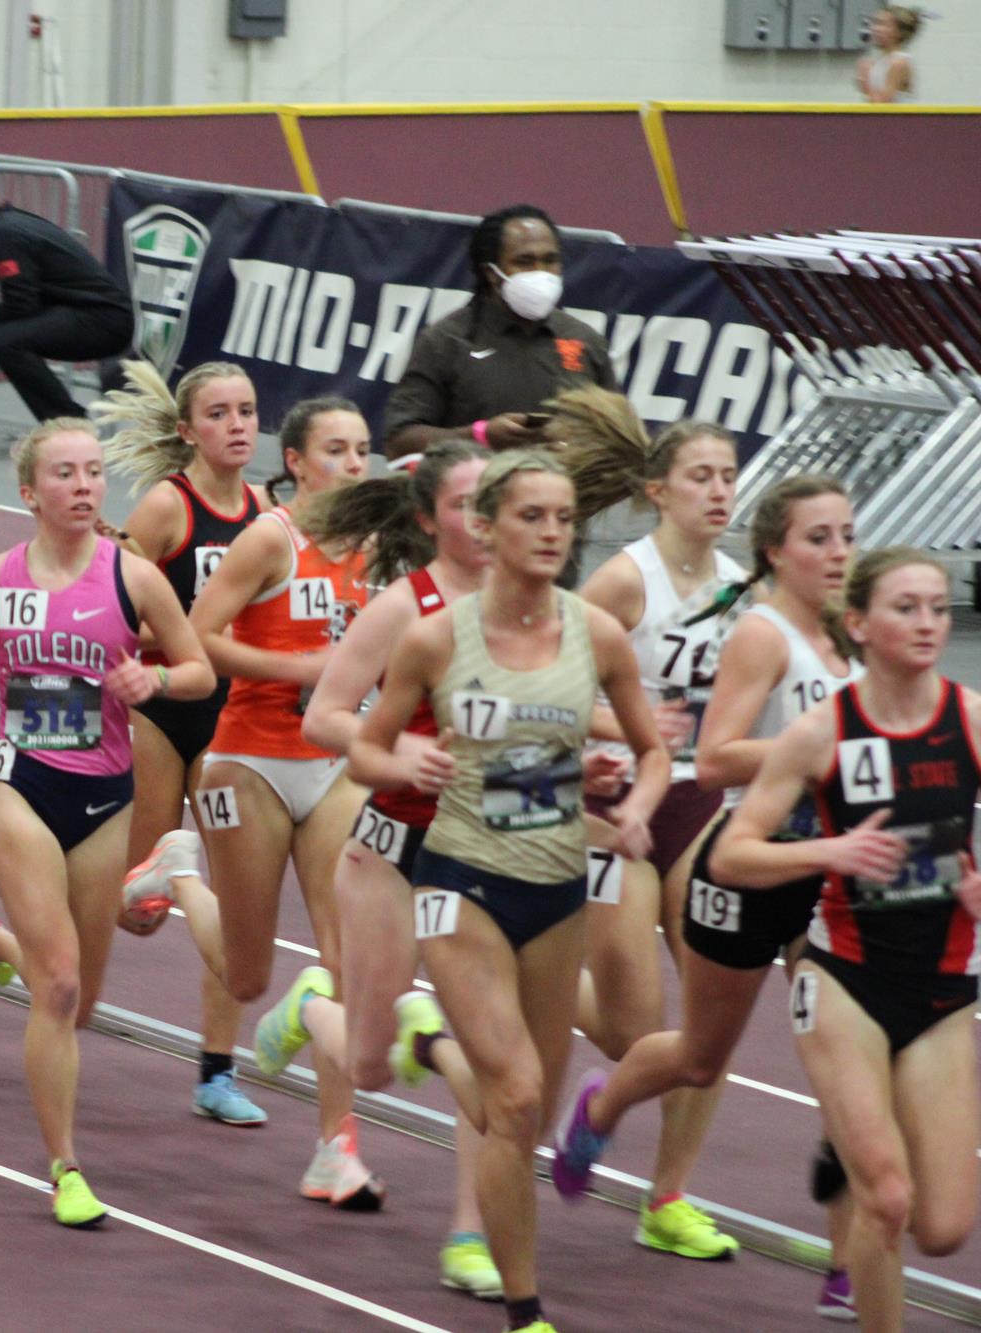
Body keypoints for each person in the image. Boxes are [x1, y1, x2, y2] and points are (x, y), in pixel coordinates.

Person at [350, 450, 670, 1333]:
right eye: (533, 516)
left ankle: (434, 1046)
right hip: (460, 882)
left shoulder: (594, 636)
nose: (553, 533)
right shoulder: (435, 637)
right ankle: (526, 1309)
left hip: (558, 886)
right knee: (522, 1094)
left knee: (513, 1118)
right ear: (486, 528)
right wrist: (402, 757)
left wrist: (630, 799)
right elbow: (363, 750)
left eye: (564, 518)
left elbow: (654, 751)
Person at [551, 475, 861, 1320]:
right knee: (696, 1054)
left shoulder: (860, 631)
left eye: (847, 536)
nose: (839, 553)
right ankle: (604, 1102)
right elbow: (717, 757)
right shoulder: (760, 634)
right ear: (778, 550)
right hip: (752, 858)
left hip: (839, 871)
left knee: (851, 1065)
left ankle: (849, 1259)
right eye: (820, 537)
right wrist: (817, 751)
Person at [0, 418, 214, 1227]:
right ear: (30, 491)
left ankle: (1, 947)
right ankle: (66, 1166)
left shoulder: (135, 578)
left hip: (108, 797)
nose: (83, 486)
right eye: (65, 474)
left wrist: (157, 681)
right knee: (62, 983)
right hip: (23, 786)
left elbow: (201, 668)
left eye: (95, 472)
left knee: (82, 1001)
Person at [712, 548, 977, 1333]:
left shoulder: (968, 720)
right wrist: (829, 852)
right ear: (859, 624)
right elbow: (733, 852)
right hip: (843, 977)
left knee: (944, 1226)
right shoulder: (821, 731)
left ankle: (853, 1149)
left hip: (944, 984)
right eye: (907, 607)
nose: (928, 622)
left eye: (938, 606)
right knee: (888, 1198)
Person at [145, 398, 381, 1197]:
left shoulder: (377, 548)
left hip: (334, 768)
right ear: (299, 463)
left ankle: (335, 1148)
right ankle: (178, 867)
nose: (354, 464)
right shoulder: (271, 537)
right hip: (247, 763)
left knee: (344, 957)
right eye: (337, 450)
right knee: (247, 979)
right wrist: (307, 673)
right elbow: (199, 639)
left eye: (362, 450)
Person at [299, 441, 502, 1299]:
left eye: (498, 502)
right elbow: (324, 717)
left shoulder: (542, 610)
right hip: (389, 851)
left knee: (491, 1054)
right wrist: (398, 746)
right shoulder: (403, 607)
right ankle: (311, 1007)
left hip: (489, 855)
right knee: (375, 1068)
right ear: (427, 519)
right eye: (464, 504)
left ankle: (469, 1233)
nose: (484, 521)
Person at [551, 395, 748, 1263]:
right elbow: (552, 686)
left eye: (729, 476)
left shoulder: (742, 586)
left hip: (698, 805)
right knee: (637, 1032)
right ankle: (570, 1038)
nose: (719, 491)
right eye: (701, 476)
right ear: (657, 491)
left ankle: (668, 1196)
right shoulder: (626, 580)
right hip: (613, 806)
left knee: (709, 1026)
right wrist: (616, 733)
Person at [94, 360, 268, 1126]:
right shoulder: (170, 507)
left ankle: (217, 1070)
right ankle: (23, 935)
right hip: (162, 706)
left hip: (233, 717)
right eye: (220, 413)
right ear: (188, 429)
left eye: (248, 411)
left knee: (234, 898)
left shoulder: (269, 516)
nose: (237, 425)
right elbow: (113, 602)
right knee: (140, 909)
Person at [383, 204, 616, 457]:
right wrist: (479, 436)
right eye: (524, 262)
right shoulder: (446, 341)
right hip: (472, 493)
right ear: (491, 273)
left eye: (550, 260)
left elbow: (619, 441)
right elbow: (399, 441)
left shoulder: (586, 341)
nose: (541, 273)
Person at [0, 172, 132, 423]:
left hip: (105, 320)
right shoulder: (5, 223)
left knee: (1, 340)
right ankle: (65, 419)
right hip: (95, 312)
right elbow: (21, 300)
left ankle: (67, 421)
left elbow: (22, 304)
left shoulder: (2, 236)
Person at [858, 6, 922, 103]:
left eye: (882, 24)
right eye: (875, 23)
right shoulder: (881, 61)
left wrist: (866, 78)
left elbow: (882, 107)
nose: (875, 29)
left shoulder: (899, 63)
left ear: (898, 32)